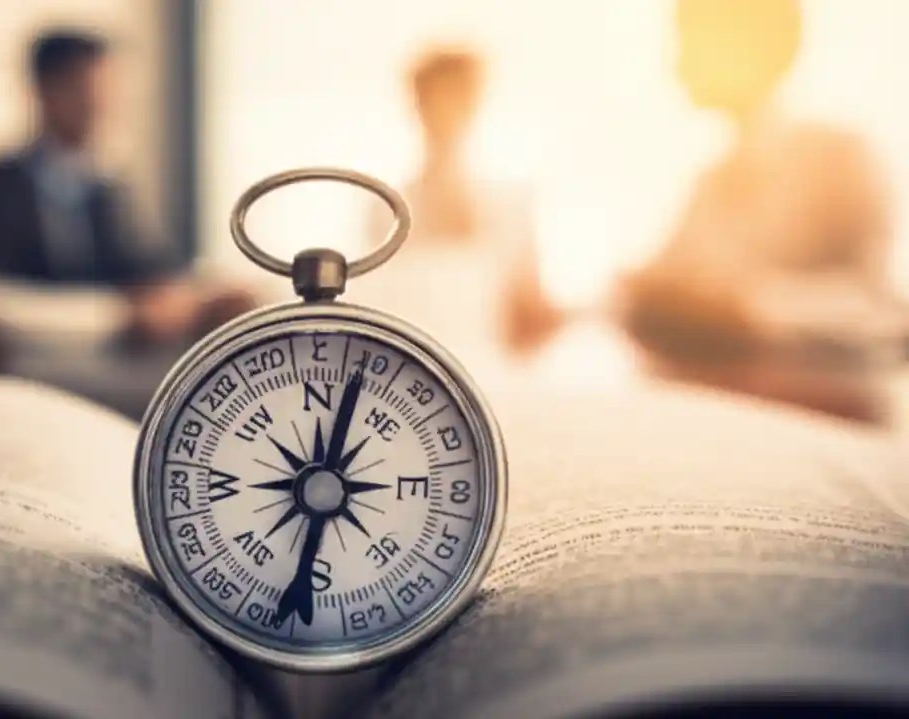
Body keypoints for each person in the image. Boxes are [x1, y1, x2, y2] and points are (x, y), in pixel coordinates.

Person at [618, 0, 899, 422]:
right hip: (720, 417)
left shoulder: (841, 157)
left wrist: (748, 306)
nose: (677, 61)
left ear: (759, 49)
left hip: (829, 424)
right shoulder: (710, 182)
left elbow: (879, 306)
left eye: (693, 42)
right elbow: (660, 286)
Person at [0, 31, 254, 347]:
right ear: (43, 89)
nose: (98, 105)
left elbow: (150, 268)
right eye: (84, 88)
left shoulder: (110, 190)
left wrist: (181, 295)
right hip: (40, 347)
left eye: (106, 90)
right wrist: (120, 313)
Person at [357, 47, 559, 356]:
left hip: (493, 378)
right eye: (437, 98)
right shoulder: (384, 210)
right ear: (417, 104)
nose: (447, 112)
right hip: (409, 374)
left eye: (459, 98)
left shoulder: (513, 205)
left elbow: (531, 311)